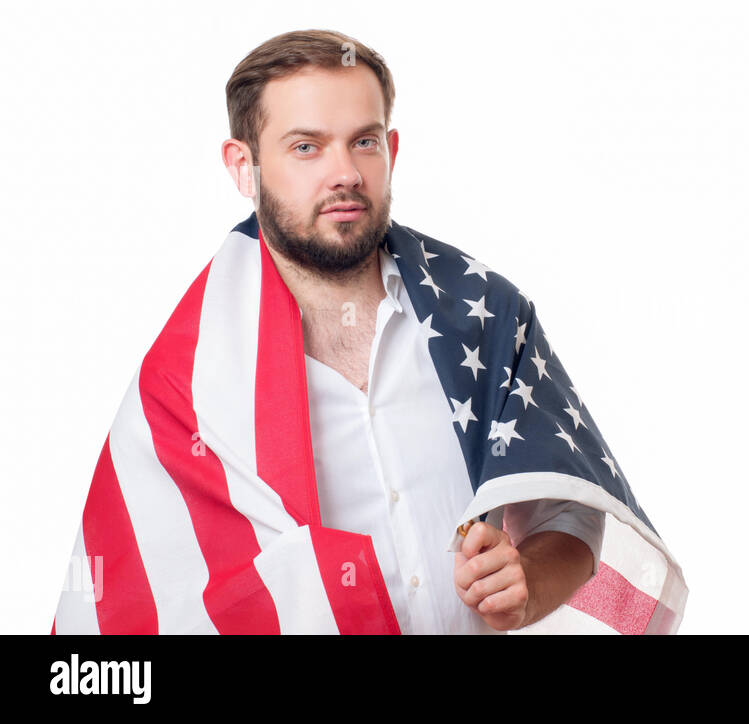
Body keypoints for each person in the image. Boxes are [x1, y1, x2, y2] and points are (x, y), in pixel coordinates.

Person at [51, 29, 686, 635]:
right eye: (306, 147)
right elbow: (142, 596)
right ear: (243, 166)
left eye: (364, 141)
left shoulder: (483, 317)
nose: (345, 173)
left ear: (392, 149)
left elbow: (567, 508)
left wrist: (525, 584)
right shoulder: (186, 381)